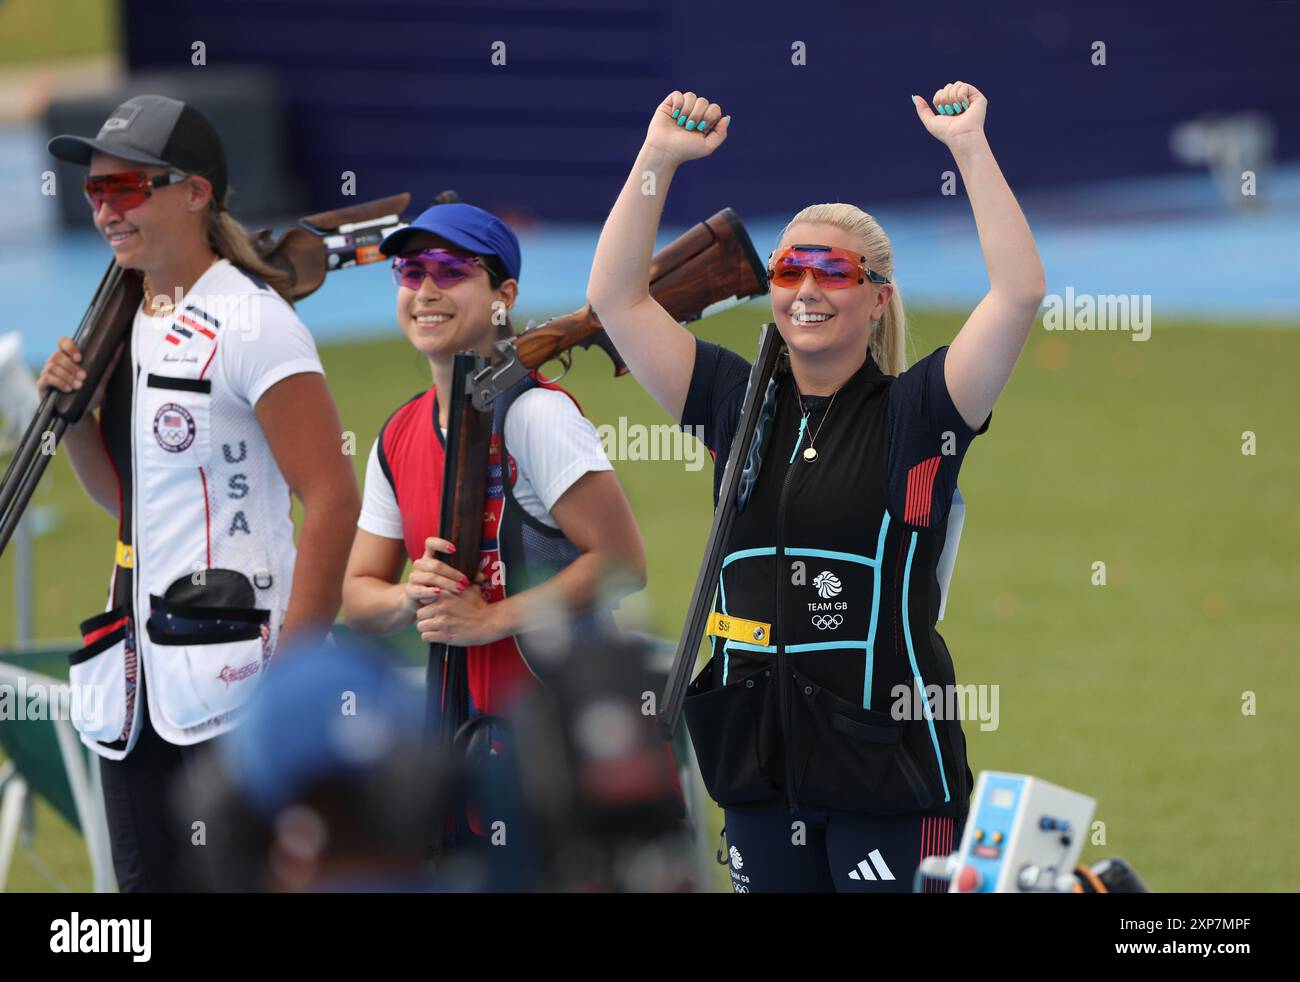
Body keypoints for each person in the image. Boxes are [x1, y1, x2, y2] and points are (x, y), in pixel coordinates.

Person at [587, 83, 1045, 892]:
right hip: (759, 768)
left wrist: (968, 147)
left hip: (890, 773)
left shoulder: (921, 411)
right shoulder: (736, 400)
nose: (806, 289)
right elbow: (617, 300)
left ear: (877, 300)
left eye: (833, 271)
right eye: (790, 267)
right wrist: (657, 158)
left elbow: (1017, 294)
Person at [40, 95, 361, 891]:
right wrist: (78, 422)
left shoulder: (256, 322)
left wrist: (295, 673)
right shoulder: (129, 317)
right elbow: (131, 507)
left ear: (196, 192)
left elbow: (332, 499)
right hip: (135, 688)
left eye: (128, 188)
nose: (106, 209)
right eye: (94, 192)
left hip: (237, 686)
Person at [341, 202, 646, 728]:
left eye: (452, 270)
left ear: (503, 296)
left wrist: (491, 619)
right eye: (411, 272)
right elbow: (358, 597)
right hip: (461, 739)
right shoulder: (397, 435)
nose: (426, 291)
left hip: (566, 737)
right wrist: (411, 596)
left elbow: (622, 565)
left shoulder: (536, 415)